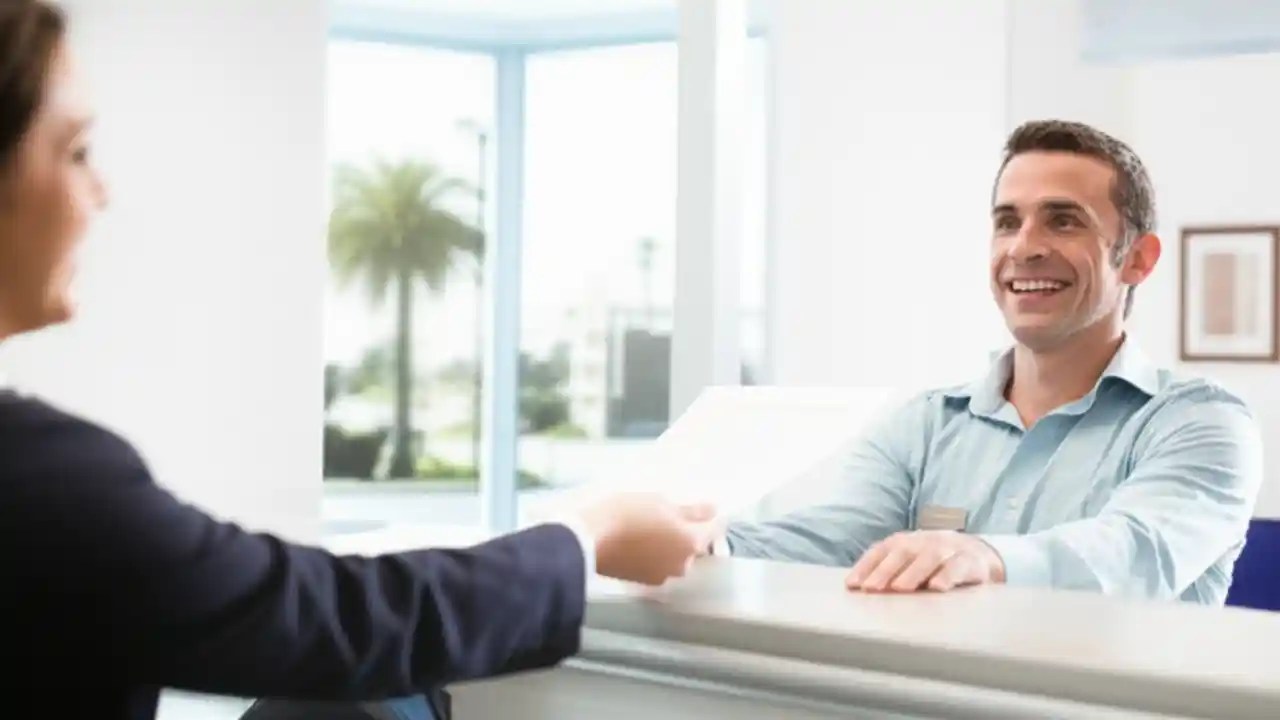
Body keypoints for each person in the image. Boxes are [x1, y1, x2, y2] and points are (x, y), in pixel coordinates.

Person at [0, 3, 719, 718]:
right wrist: (590, 534)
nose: (100, 194)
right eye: (75, 152)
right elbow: (337, 620)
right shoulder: (46, 483)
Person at [713, 119, 1263, 605]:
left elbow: (1133, 553)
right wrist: (707, 541)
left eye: (1063, 221)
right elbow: (843, 540)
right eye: (1007, 221)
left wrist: (984, 558)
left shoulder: (1200, 423)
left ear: (1137, 259)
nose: (1024, 247)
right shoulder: (924, 425)